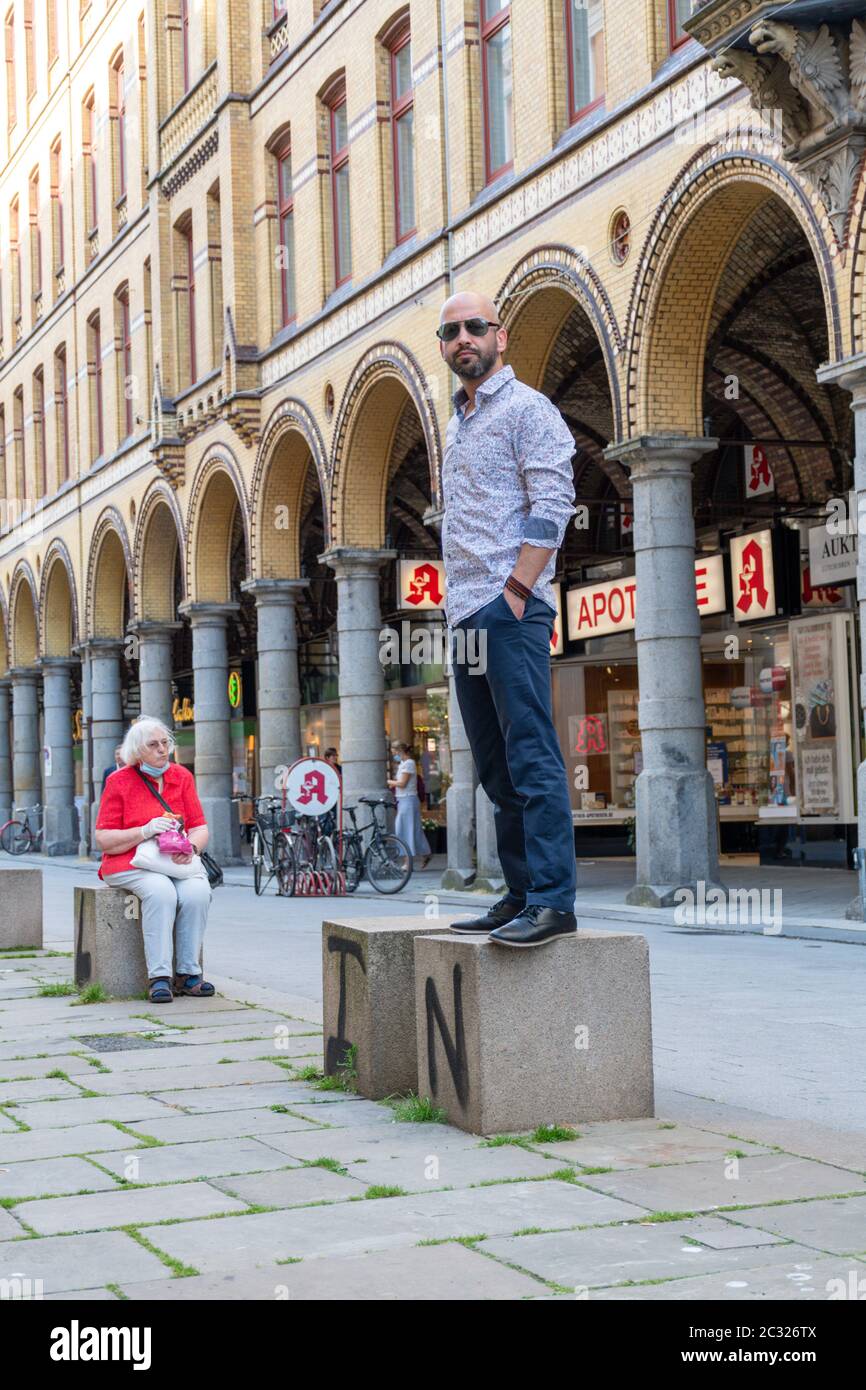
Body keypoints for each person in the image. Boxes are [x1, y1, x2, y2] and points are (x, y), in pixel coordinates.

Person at [438, 289, 578, 948]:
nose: (462, 339)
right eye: (450, 332)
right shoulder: (456, 423)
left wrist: (518, 590)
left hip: (508, 608)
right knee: (494, 766)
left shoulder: (528, 408)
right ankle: (520, 894)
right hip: (464, 611)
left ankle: (553, 901)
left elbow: (553, 502)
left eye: (474, 327)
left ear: (500, 336)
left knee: (531, 754)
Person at [93, 716, 214, 1004]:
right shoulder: (118, 781)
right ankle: (159, 977)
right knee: (161, 892)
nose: (162, 749)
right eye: (153, 744)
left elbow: (199, 827)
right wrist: (144, 831)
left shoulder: (182, 776)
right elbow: (103, 838)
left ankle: (188, 974)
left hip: (173, 862)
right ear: (137, 750)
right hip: (129, 862)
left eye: (165, 742)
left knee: (198, 892)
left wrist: (192, 848)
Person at [387, 740, 431, 868]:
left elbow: (402, 783)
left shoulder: (409, 763)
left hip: (408, 800)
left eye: (394, 752)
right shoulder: (403, 764)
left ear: (399, 751)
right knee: (413, 830)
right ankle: (425, 853)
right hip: (403, 800)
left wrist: (388, 781)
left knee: (405, 830)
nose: (393, 755)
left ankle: (408, 862)